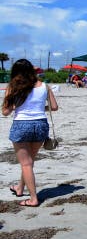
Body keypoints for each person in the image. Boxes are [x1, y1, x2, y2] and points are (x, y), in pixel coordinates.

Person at [2, 59, 58, 208]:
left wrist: (14, 106)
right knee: (29, 161)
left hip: (22, 125)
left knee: (26, 163)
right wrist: (38, 109)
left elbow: (5, 112)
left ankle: (33, 199)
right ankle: (20, 188)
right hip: (40, 125)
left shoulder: (13, 87)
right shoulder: (45, 86)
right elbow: (54, 107)